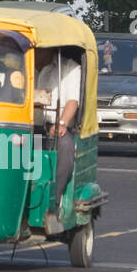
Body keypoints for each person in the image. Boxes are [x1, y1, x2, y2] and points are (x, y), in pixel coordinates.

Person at [36, 49, 82, 229]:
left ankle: (53, 201)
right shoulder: (20, 65)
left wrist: (61, 122)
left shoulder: (70, 69)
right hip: (27, 126)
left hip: (54, 127)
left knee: (65, 146)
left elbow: (72, 102)